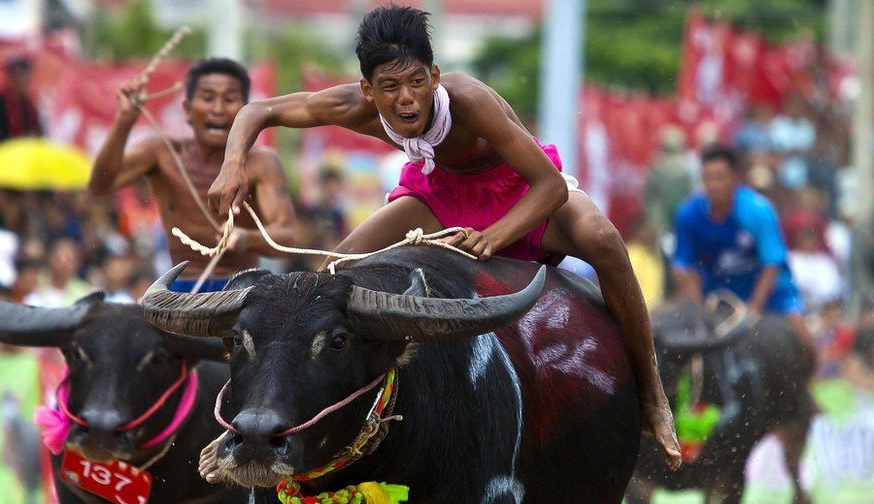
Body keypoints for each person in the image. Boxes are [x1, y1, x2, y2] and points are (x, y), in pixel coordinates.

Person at [207, 5, 681, 467]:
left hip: (517, 192)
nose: (407, 98)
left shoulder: (469, 100)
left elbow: (551, 186)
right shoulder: (350, 107)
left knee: (603, 240)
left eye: (416, 82)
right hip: (438, 194)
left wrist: (494, 236)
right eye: (390, 87)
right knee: (338, 268)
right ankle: (294, 418)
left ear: (434, 77)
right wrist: (232, 167)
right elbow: (258, 110)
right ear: (367, 90)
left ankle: (654, 398)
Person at [88, 58, 297, 292]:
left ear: (245, 113)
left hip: (242, 288)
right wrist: (124, 121)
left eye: (229, 99)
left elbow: (287, 237)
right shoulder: (162, 153)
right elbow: (100, 185)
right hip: (181, 287)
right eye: (208, 98)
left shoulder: (262, 163)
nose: (217, 109)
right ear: (188, 109)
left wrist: (246, 238)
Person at [673, 145, 812, 349]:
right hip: (716, 298)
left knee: (804, 342)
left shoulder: (757, 211)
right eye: (708, 178)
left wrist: (754, 309)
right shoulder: (688, 214)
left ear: (735, 178)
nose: (714, 185)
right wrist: (698, 310)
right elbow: (683, 267)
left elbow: (771, 265)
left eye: (720, 177)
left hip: (772, 296)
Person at [0, 57, 43, 143]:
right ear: (11, 76)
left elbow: (37, 132)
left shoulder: (29, 105)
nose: (24, 80)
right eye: (20, 76)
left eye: (27, 76)